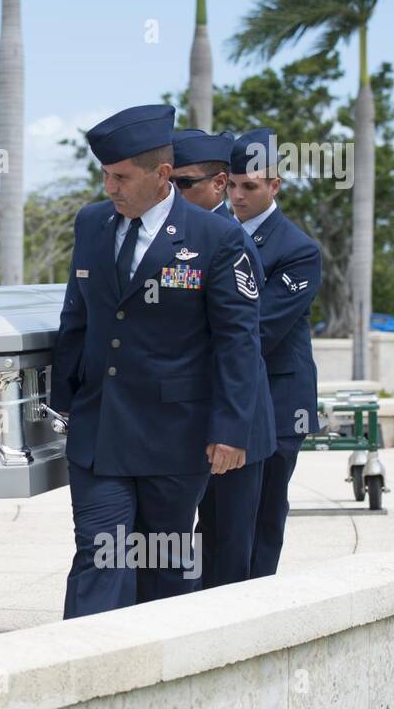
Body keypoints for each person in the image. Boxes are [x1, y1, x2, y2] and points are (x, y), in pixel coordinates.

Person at [50, 104, 263, 617]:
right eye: (104, 175)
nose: (110, 188)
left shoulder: (216, 238)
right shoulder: (92, 224)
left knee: (163, 565)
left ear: (162, 175)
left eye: (121, 177)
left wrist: (232, 427)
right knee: (101, 555)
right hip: (99, 431)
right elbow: (75, 318)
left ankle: (157, 673)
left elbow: (238, 340)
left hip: (176, 435)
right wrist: (61, 405)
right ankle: (83, 674)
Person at [170, 128, 277, 589]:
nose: (171, 193)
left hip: (233, 422)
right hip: (180, 417)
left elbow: (242, 343)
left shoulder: (231, 241)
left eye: (183, 184)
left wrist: (231, 427)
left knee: (226, 547)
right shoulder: (168, 232)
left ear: (217, 184)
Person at [226, 128, 323, 578]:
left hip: (280, 402)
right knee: (223, 513)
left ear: (274, 186)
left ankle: (257, 595)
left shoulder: (297, 249)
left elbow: (257, 329)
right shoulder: (217, 233)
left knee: (263, 509)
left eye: (250, 186)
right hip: (229, 396)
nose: (238, 195)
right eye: (230, 184)